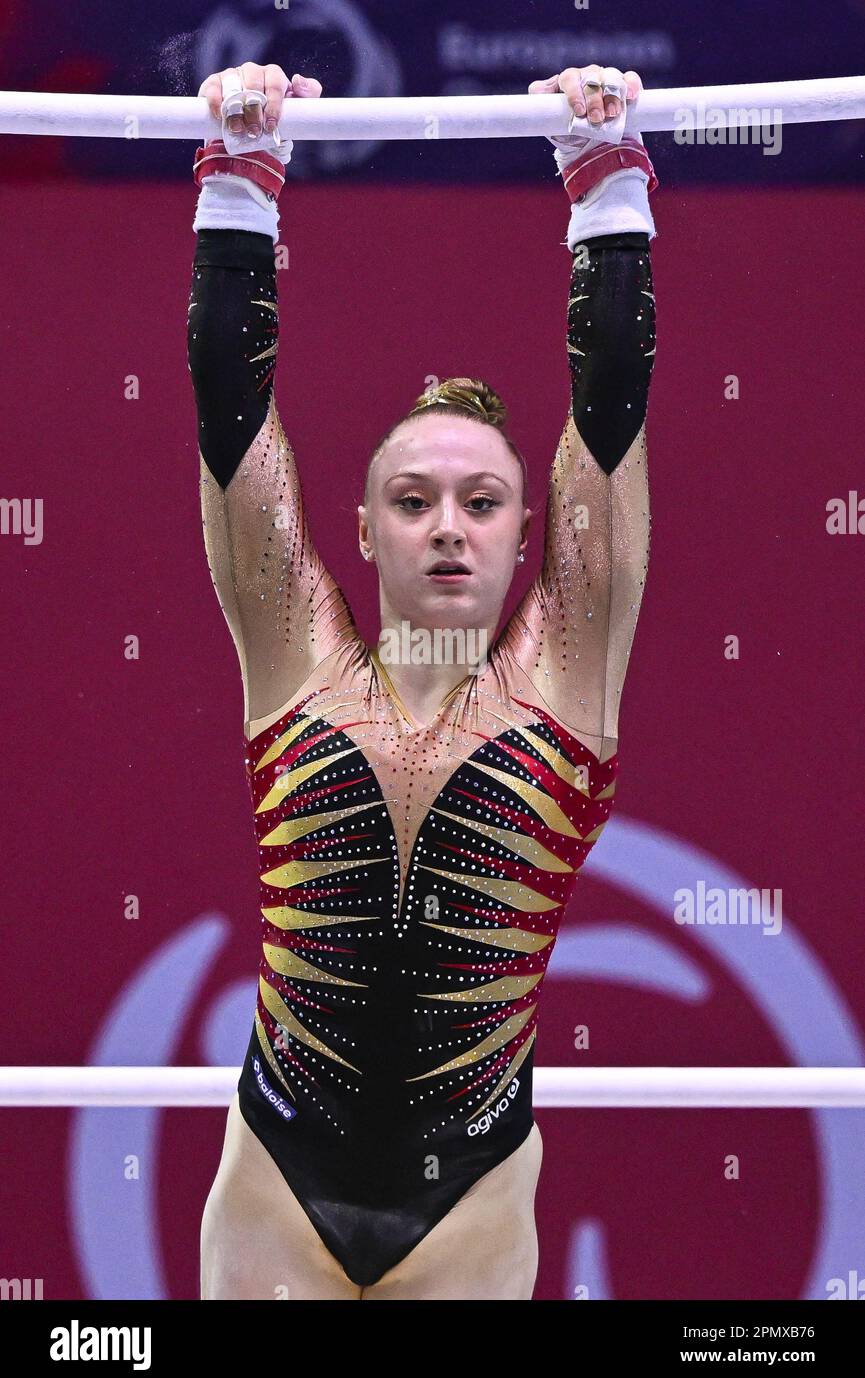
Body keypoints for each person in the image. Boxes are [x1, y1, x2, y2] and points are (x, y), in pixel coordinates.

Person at [190, 58, 657, 1301]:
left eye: (482, 501)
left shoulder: (565, 671)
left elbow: (608, 404)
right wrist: (240, 180)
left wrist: (603, 177)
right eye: (413, 500)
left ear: (526, 535)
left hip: (470, 1201)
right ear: (360, 530)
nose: (448, 526)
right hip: (273, 1179)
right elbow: (232, 415)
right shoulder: (293, 652)